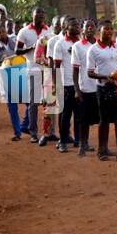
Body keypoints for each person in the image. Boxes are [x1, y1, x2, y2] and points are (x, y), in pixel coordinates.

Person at [86, 19, 117, 161]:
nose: (109, 31)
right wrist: (106, 76)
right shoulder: (94, 49)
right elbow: (90, 72)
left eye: (111, 29)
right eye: (106, 29)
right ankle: (102, 149)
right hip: (103, 88)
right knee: (103, 120)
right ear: (100, 31)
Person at [15, 8, 52, 142]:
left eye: (42, 15)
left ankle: (49, 132)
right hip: (32, 69)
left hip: (47, 68)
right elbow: (17, 51)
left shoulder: (49, 31)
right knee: (34, 102)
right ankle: (33, 133)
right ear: (32, 16)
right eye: (38, 15)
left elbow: (52, 48)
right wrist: (33, 47)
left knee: (49, 100)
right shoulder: (24, 31)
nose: (40, 17)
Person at [49, 20, 79, 151]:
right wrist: (57, 86)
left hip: (79, 85)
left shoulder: (80, 42)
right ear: (66, 27)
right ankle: (63, 141)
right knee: (65, 114)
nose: (77, 27)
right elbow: (56, 67)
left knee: (79, 114)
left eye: (78, 25)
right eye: (74, 25)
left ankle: (79, 140)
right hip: (66, 84)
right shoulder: (60, 44)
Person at [74, 19, 100, 156]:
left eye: (92, 26)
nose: (90, 28)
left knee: (101, 118)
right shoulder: (77, 46)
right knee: (83, 119)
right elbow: (75, 70)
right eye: (87, 26)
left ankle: (102, 146)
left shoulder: (98, 45)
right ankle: (83, 144)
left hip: (99, 87)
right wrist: (77, 90)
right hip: (85, 87)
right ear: (82, 29)